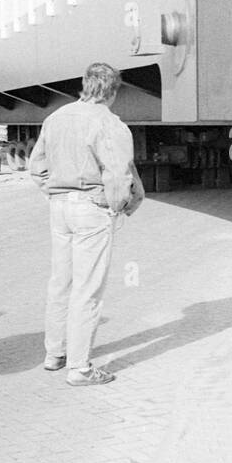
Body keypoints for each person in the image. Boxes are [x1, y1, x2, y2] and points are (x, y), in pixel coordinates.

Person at [29, 62, 143, 385]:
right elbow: (119, 176)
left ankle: (54, 354)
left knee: (60, 282)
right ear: (112, 91)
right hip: (91, 208)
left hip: (59, 207)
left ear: (84, 85)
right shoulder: (110, 124)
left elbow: (36, 167)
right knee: (87, 289)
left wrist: (55, 194)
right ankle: (79, 368)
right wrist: (116, 206)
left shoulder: (56, 118)